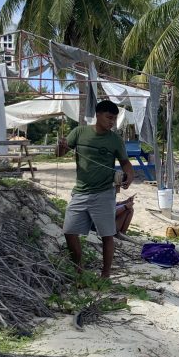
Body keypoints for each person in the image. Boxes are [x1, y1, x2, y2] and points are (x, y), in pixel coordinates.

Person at [57, 99, 134, 278]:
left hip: (104, 193)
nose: (111, 122)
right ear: (97, 115)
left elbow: (125, 163)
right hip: (81, 192)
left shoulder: (115, 139)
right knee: (69, 231)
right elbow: (60, 153)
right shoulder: (79, 132)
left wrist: (129, 175)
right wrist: (60, 147)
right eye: (108, 117)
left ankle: (105, 275)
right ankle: (79, 270)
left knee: (107, 235)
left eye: (114, 119)